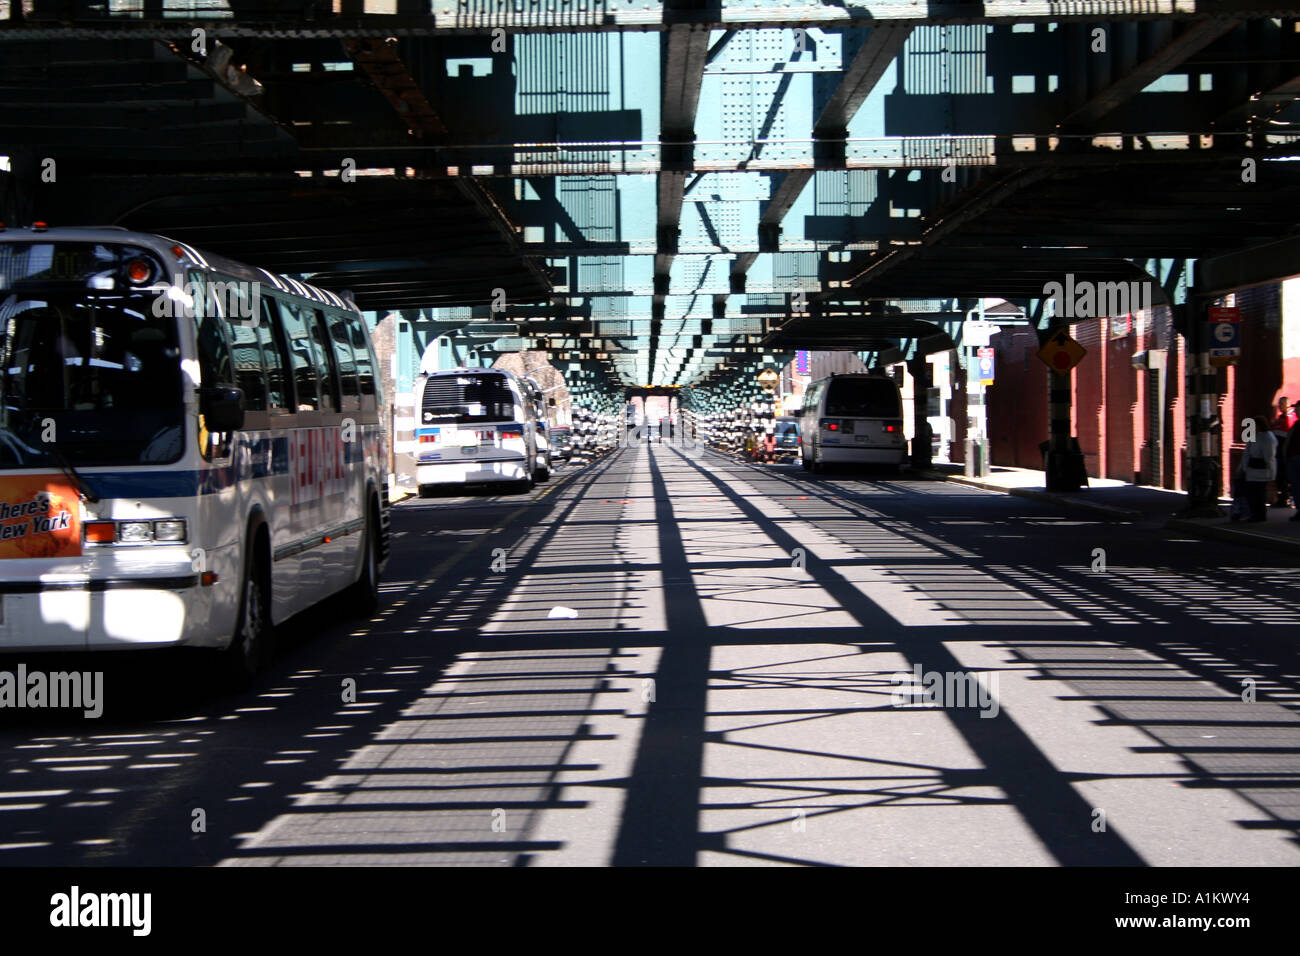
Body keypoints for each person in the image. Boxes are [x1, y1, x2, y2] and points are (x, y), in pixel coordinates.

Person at [1237, 415, 1278, 523]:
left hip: (1261, 471)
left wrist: (1272, 474)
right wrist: (1244, 468)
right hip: (1252, 470)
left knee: (1258, 495)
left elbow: (1269, 457)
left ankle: (1259, 515)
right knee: (1253, 494)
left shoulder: (1268, 438)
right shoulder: (1255, 436)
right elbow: (1246, 453)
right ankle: (1255, 514)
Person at [1271, 396, 1296, 505]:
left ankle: (1289, 498)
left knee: (1288, 477)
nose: (1279, 407)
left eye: (1281, 405)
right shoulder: (1280, 418)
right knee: (1280, 477)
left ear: (1287, 405)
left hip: (1286, 453)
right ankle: (1282, 498)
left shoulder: (1292, 418)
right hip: (1277, 453)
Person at [1286, 402, 1300, 521]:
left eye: (1297, 409)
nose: (1295, 411)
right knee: (1296, 487)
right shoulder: (1296, 424)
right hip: (1293, 459)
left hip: (1297, 459)